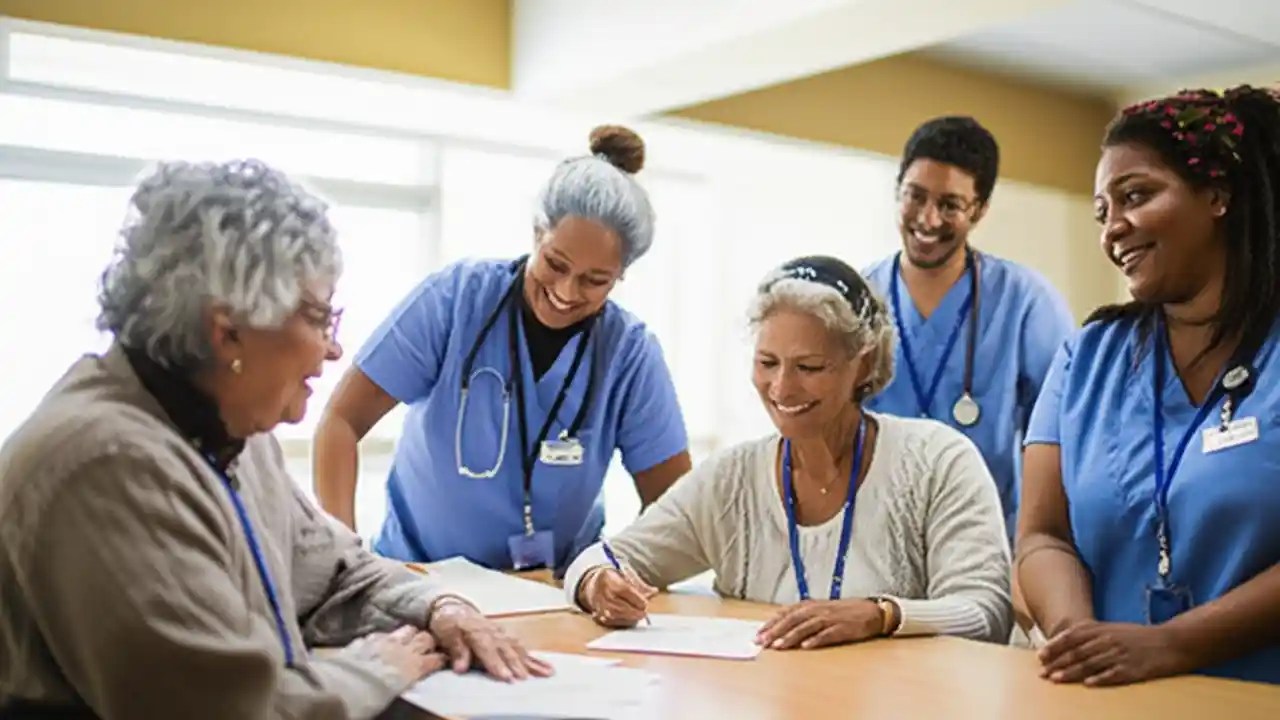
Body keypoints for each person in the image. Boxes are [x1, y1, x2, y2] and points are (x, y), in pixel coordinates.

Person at [0, 160, 548, 719]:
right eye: (318, 318)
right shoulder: (110, 464)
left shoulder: (227, 429)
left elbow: (336, 572)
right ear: (228, 329)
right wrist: (377, 668)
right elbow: (223, 710)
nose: (332, 350)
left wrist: (442, 605)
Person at [563, 256, 1012, 649]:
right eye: (767, 363)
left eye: (809, 367)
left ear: (865, 363)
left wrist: (882, 615)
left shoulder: (938, 460)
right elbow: (601, 558)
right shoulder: (732, 478)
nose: (781, 388)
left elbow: (987, 611)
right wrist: (597, 584)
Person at [313, 125, 691, 573]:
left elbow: (674, 511)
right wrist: (347, 562)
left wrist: (613, 574)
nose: (567, 292)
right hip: (419, 580)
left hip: (555, 596)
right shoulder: (454, 302)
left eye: (595, 280)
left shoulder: (630, 355)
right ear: (536, 234)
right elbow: (341, 421)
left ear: (621, 274)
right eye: (556, 263)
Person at [1018, 85, 1280, 686]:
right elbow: (1042, 535)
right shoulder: (1084, 360)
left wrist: (1172, 646)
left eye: (1136, 196)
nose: (1114, 229)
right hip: (1115, 697)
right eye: (1102, 213)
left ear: (1217, 194)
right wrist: (1077, 640)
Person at [861, 116, 1074, 544]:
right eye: (915, 196)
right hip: (874, 533)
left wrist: (1041, 546)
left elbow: (1060, 439)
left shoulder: (1024, 301)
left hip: (985, 539)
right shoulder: (858, 297)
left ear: (978, 210)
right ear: (897, 190)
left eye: (950, 205)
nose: (928, 218)